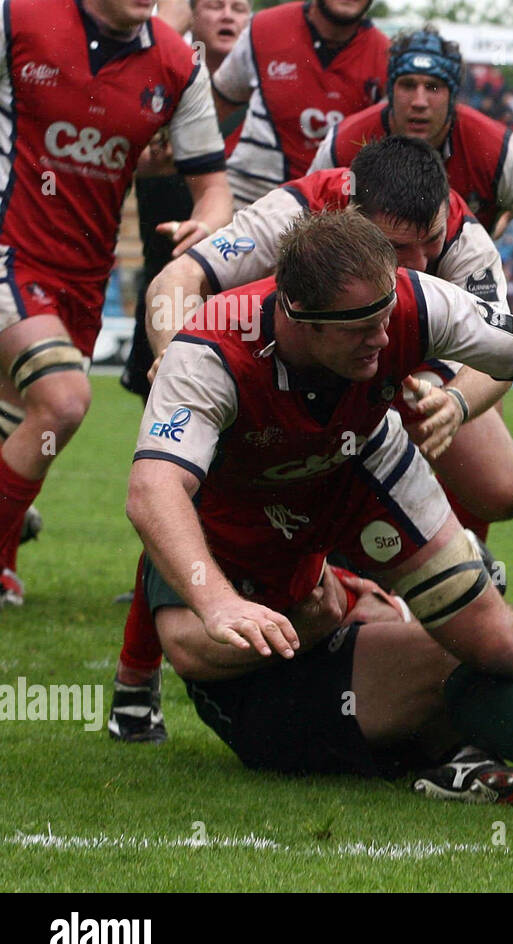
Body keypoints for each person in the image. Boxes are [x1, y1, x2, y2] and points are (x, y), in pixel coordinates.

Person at [127, 207, 513, 808]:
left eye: (387, 319)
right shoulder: (209, 354)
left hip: (362, 467)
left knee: (491, 639)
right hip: (244, 527)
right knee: (200, 641)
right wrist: (218, 600)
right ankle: (461, 751)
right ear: (298, 317)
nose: (384, 339)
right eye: (362, 327)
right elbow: (153, 490)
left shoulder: (411, 300)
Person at [309, 26, 513, 537]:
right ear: (389, 89)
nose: (419, 101)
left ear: (455, 95)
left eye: (435, 88)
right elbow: (301, 238)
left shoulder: (495, 150)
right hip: (350, 321)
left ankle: (463, 554)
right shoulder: (343, 142)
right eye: (407, 85)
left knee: (503, 490)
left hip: (448, 321)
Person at [0, 0, 231, 608]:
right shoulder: (18, 19)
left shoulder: (178, 64)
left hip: (85, 275)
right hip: (10, 250)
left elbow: (214, 189)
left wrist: (205, 225)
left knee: (23, 416)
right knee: (65, 401)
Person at [121, 0, 253, 402]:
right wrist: (144, 161)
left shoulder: (265, 105)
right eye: (215, 6)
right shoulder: (156, 79)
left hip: (240, 283)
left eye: (240, 8)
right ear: (190, 17)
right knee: (162, 398)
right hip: (164, 267)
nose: (228, 16)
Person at [212, 0, 387, 207]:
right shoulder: (265, 27)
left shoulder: (385, 55)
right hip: (246, 198)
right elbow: (219, 102)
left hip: (330, 208)